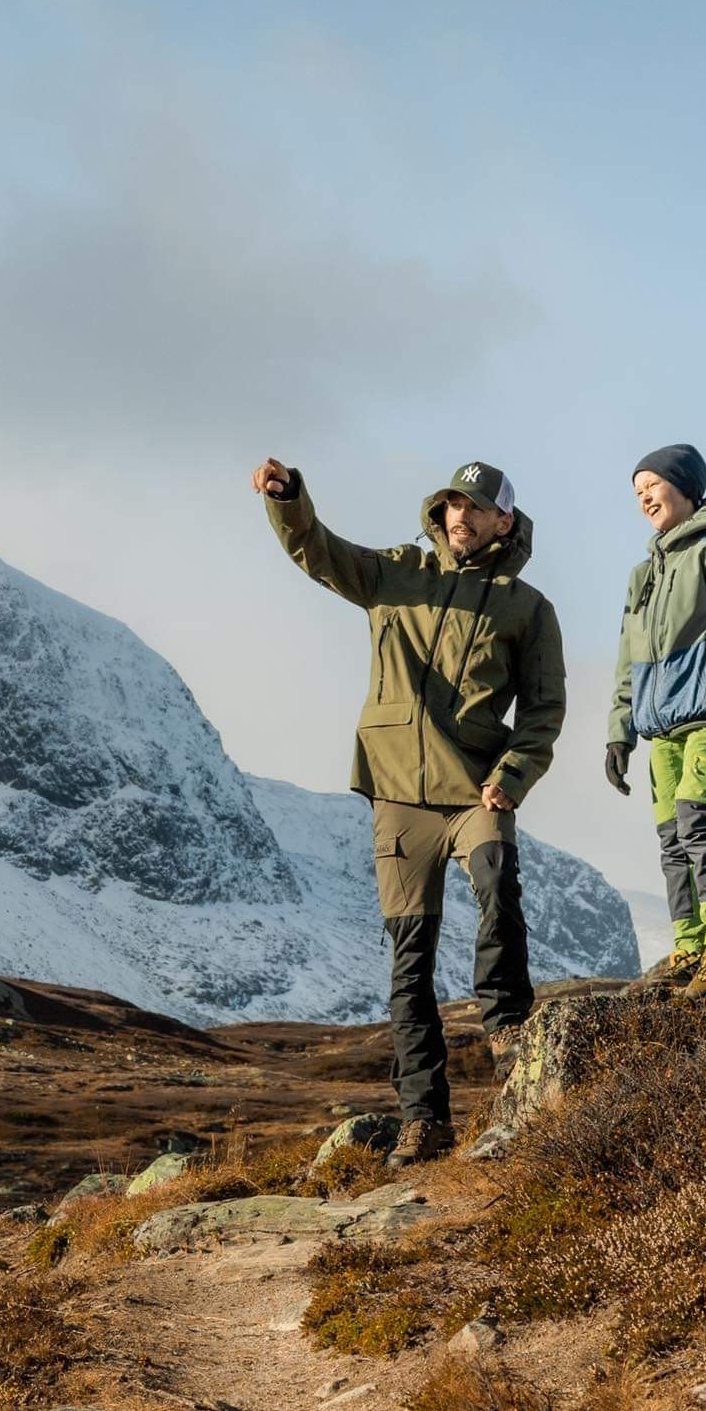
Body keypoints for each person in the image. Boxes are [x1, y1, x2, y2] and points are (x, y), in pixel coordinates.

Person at [252, 455, 568, 1164]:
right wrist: (290, 498)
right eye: (452, 504)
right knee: (410, 961)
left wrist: (513, 775)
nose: (460, 516)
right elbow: (318, 551)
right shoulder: (396, 573)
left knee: (497, 889)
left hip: (477, 790)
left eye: (476, 507)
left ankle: (514, 1048)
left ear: (503, 521)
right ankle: (425, 1121)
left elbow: (545, 708)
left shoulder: (527, 607)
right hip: (398, 795)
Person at [603, 443, 706, 989]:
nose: (644, 497)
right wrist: (618, 734)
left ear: (685, 486)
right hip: (660, 733)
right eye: (637, 492)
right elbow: (628, 658)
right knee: (672, 838)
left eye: (652, 485)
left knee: (697, 820)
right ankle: (691, 948)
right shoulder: (640, 575)